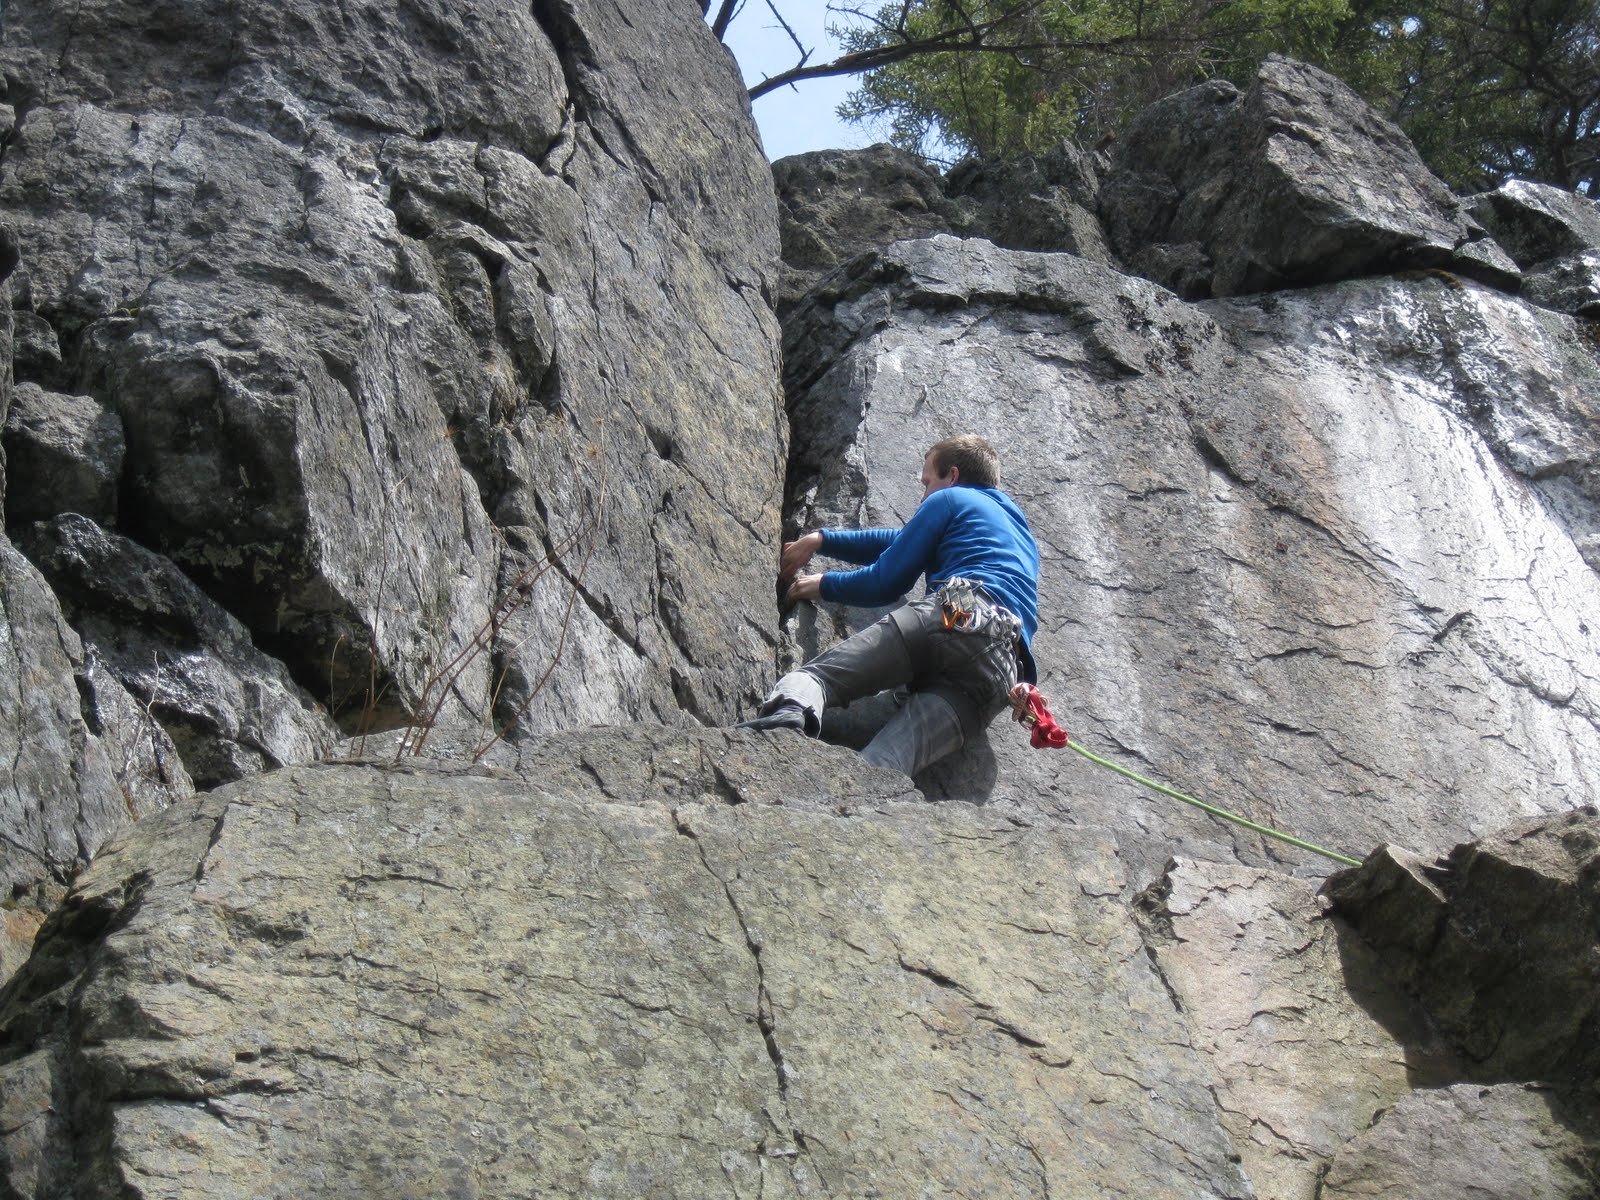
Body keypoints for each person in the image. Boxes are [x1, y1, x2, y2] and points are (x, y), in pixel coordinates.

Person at [738, 434, 1040, 775]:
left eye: (927, 482)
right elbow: (904, 540)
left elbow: (887, 581)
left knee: (817, 679)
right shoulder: (1017, 534)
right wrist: (822, 540)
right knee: (884, 768)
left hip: (958, 608)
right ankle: (856, 808)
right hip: (1003, 670)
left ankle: (784, 725)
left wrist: (823, 583)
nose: (923, 494)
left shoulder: (950, 499)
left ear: (952, 476)